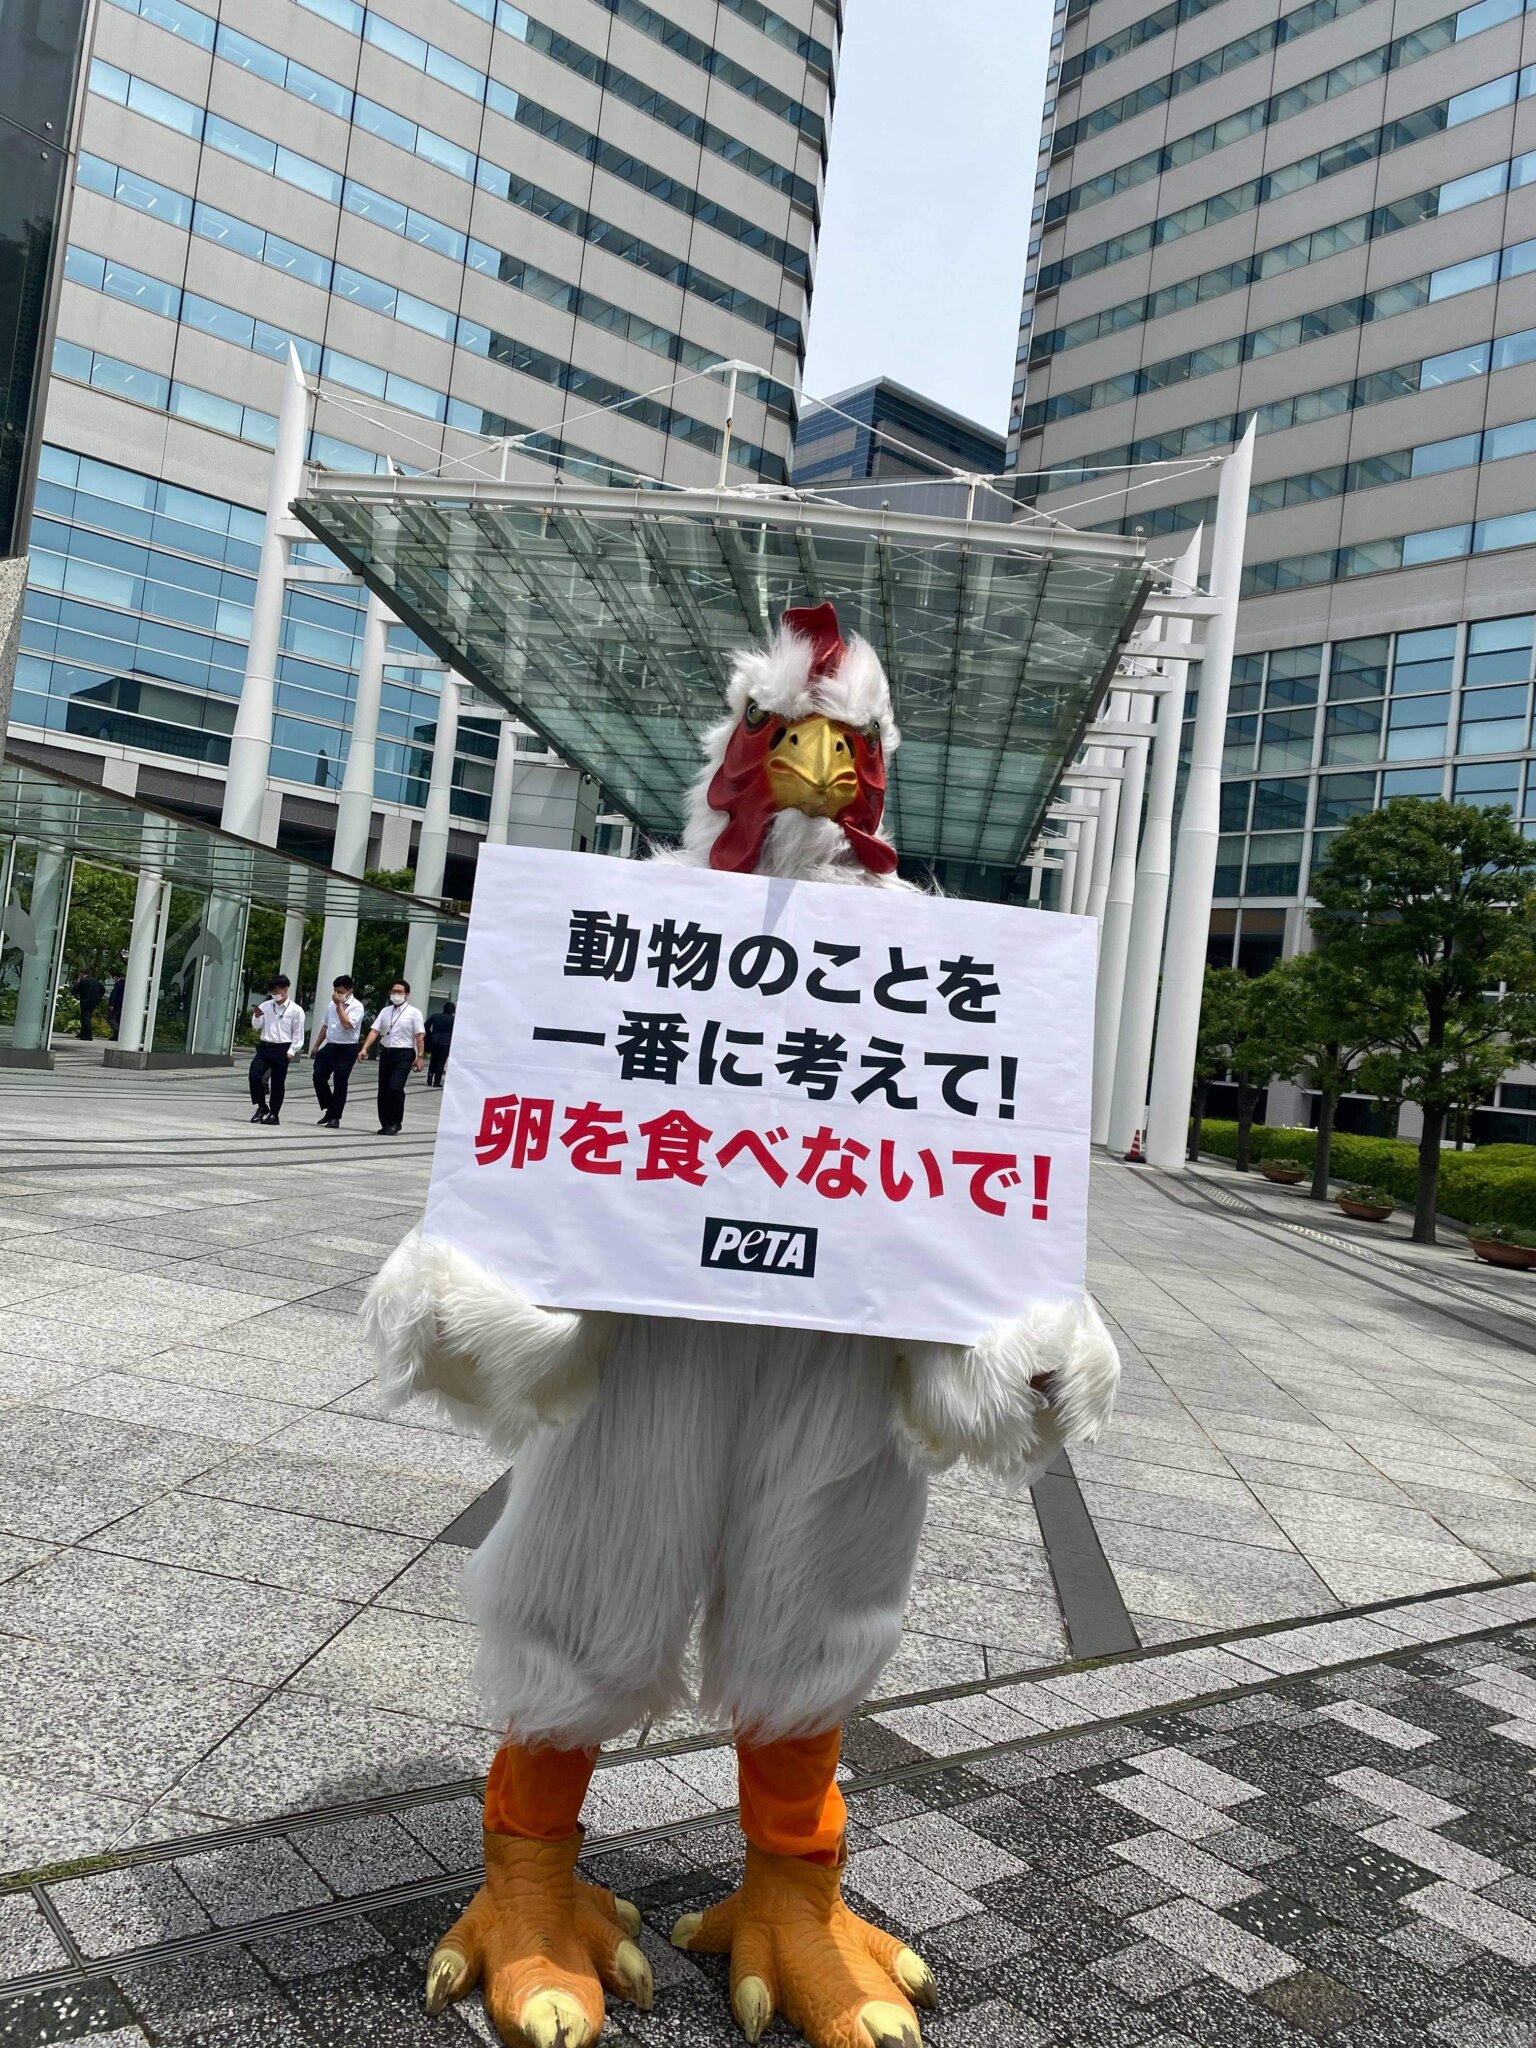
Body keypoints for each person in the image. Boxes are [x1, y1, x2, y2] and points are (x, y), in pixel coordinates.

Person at [364, 604, 1120, 2048]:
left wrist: (1015, 1336)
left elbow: (989, 1178)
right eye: (792, 738)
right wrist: (493, 1282)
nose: (823, 768)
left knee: (817, 1603)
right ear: (744, 754)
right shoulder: (636, 936)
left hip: (846, 1338)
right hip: (646, 1329)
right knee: (584, 1585)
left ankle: (796, 1888)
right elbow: (538, 1135)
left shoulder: (940, 968)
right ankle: (526, 1876)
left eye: (851, 746)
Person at [358, 979, 424, 1134]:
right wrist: (364, 1048)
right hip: (387, 1052)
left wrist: (420, 1056)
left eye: (400, 992)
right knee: (383, 1089)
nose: (396, 994)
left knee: (395, 1088)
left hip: (404, 1053)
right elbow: (375, 1030)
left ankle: (396, 1122)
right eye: (394, 991)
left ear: (407, 994)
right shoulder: (385, 1011)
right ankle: (386, 1122)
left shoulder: (414, 1013)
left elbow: (419, 1035)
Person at [248, 974, 304, 1125]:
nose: (275, 994)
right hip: (265, 1046)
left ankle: (274, 1113)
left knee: (278, 1082)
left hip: (283, 1048)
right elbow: (256, 1026)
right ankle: (261, 1106)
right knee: (255, 1075)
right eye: (272, 991)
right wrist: (257, 1016)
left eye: (277, 990)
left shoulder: (296, 1010)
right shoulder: (267, 1006)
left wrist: (292, 1050)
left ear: (285, 989)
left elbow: (298, 1034)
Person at [310, 974, 365, 1127]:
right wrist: (316, 1045)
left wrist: (339, 1005)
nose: (337, 994)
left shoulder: (357, 1006)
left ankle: (335, 1116)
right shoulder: (331, 1005)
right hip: (331, 1045)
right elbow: (325, 1025)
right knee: (318, 1076)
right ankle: (329, 1106)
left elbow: (347, 1024)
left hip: (347, 1048)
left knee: (340, 1081)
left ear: (349, 990)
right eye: (335, 991)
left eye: (340, 991)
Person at [423, 997, 455, 1087]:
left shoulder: (435, 1016)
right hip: (446, 1042)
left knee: (433, 1060)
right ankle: (437, 1081)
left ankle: (429, 1078)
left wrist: (430, 1033)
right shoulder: (453, 1020)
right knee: (441, 1062)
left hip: (434, 1040)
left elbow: (426, 1025)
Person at [73, 970, 105, 1041]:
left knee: (85, 1017)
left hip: (85, 1001)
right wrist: (99, 997)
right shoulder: (95, 981)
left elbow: (76, 990)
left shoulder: (83, 981)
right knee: (86, 1017)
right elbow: (102, 989)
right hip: (94, 1001)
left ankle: (87, 1035)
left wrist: (77, 982)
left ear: (81, 974)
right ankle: (83, 1033)